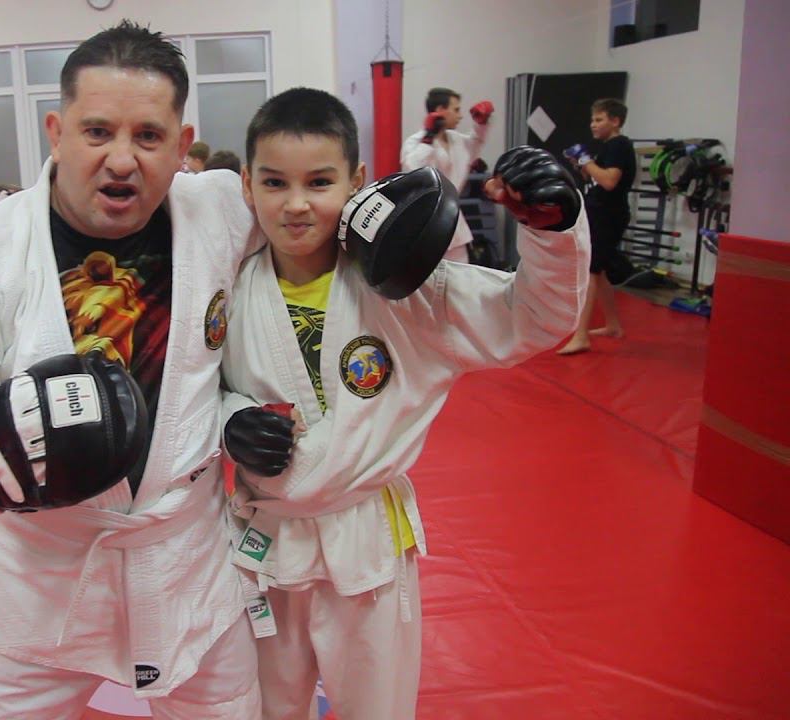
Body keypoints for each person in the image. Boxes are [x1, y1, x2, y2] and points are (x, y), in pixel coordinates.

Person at [0, 20, 263, 718]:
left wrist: (389, 224)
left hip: (189, 567)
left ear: (182, 146)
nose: (121, 160)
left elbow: (310, 211)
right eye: (97, 131)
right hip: (38, 583)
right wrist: (2, 434)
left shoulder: (222, 210)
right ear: (56, 131)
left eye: (148, 136)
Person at [220, 88, 589, 718]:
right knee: (265, 707)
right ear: (248, 186)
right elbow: (194, 393)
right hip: (264, 540)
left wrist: (553, 231)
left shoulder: (406, 289)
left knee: (377, 706)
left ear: (357, 181)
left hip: (366, 537)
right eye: (275, 182)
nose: (297, 203)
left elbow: (534, 316)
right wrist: (232, 423)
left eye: (320, 182)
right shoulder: (227, 287)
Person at [557, 98, 635, 355]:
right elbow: (596, 179)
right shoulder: (607, 147)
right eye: (592, 119)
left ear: (615, 121)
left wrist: (586, 160)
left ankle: (581, 335)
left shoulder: (620, 145)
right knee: (598, 272)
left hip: (609, 215)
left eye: (599, 119)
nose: (593, 124)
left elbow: (610, 181)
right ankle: (613, 325)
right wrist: (582, 165)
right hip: (599, 212)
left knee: (590, 271)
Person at [401, 86, 494, 263]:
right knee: (427, 275)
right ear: (440, 110)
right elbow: (412, 169)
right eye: (456, 110)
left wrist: (482, 123)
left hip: (454, 223)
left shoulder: (456, 139)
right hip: (426, 222)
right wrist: (428, 139)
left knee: (460, 274)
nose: (460, 116)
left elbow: (476, 142)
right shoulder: (416, 141)